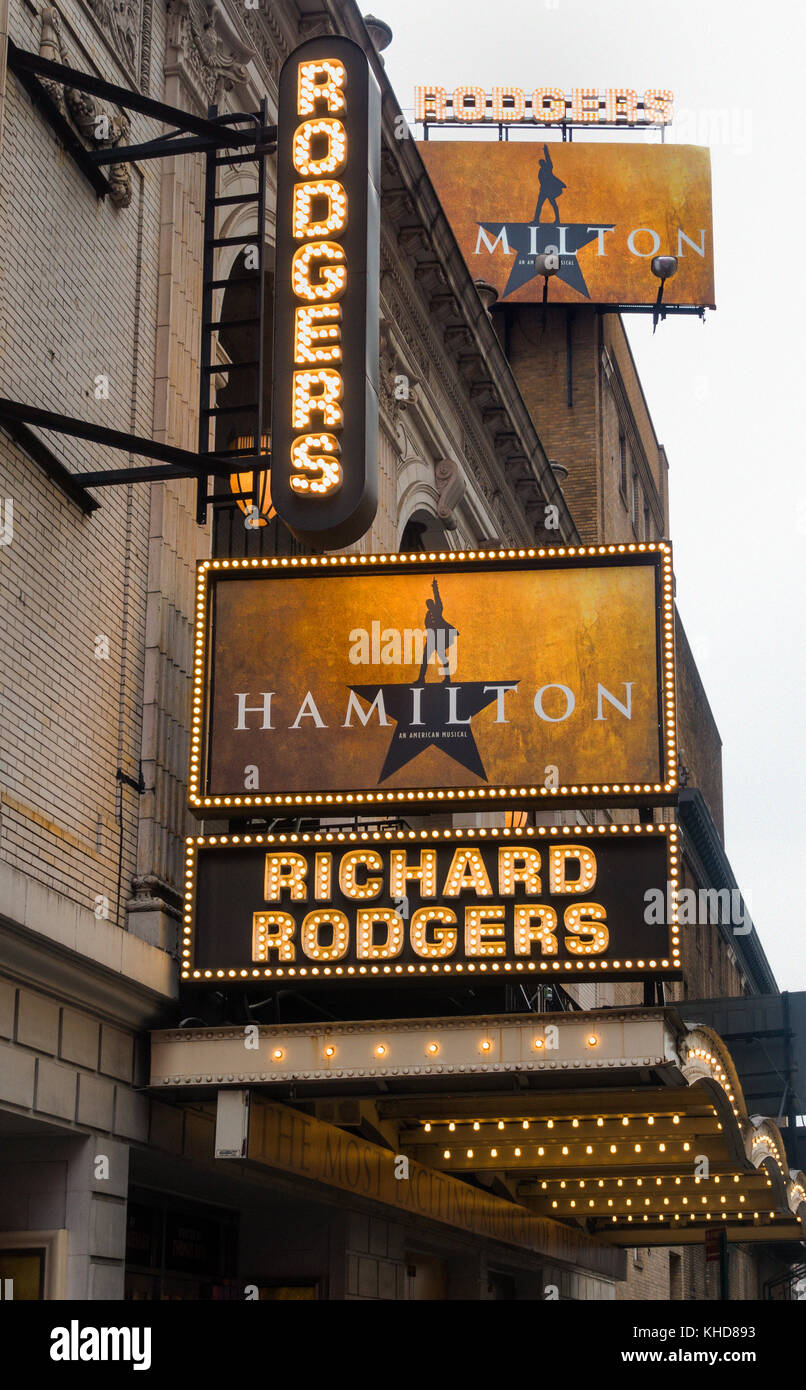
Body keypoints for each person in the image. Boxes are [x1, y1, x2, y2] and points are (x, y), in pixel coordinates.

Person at [418, 578, 459, 683]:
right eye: (427, 604)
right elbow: (427, 625)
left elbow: (437, 597)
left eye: (430, 603)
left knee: (443, 658)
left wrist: (435, 587)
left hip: (439, 637)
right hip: (431, 639)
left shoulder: (438, 609)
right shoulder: (427, 614)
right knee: (425, 659)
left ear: (433, 604)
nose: (429, 606)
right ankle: (421, 678)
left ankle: (447, 678)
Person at [535, 143, 566, 224]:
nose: (542, 164)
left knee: (553, 204)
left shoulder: (549, 167)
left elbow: (548, 157)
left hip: (550, 190)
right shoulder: (540, 172)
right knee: (539, 205)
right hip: (544, 191)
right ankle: (536, 220)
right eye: (540, 163)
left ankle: (557, 220)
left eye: (542, 162)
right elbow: (541, 181)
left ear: (544, 163)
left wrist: (546, 150)